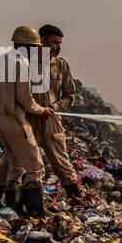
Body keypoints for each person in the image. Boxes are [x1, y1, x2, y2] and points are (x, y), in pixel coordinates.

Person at [0, 25, 52, 217]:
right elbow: (25, 99)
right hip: (15, 119)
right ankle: (36, 211)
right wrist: (41, 110)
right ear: (28, 47)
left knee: (14, 162)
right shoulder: (21, 63)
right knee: (36, 166)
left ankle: (7, 205)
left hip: (0, 118)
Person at [33, 23, 82, 199]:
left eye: (60, 43)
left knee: (62, 161)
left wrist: (55, 107)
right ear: (41, 40)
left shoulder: (61, 65)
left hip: (52, 119)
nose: (57, 46)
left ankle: (75, 197)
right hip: (29, 118)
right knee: (20, 161)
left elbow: (70, 95)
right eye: (54, 42)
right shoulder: (24, 63)